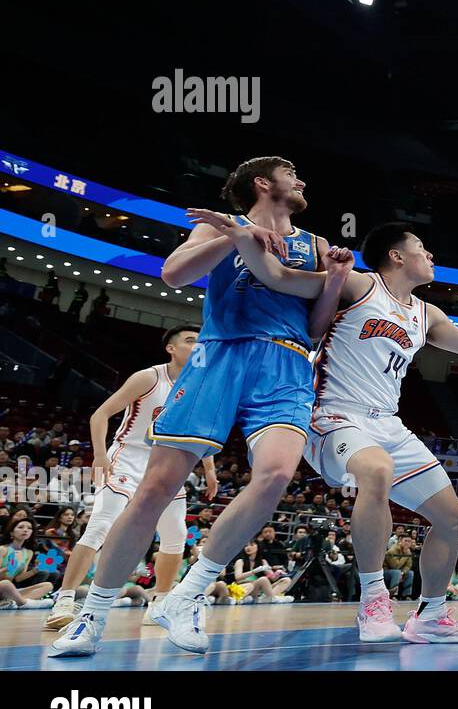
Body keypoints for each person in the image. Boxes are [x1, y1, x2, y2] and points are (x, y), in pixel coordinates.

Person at [187, 216, 458, 643]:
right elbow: (282, 277)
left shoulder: (425, 313)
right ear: (396, 255)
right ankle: (372, 601)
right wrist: (242, 237)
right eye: (421, 246)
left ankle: (430, 616)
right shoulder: (360, 286)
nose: (430, 254)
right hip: (335, 414)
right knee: (375, 470)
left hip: (387, 423)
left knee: (453, 516)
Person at [50, 157, 330, 657]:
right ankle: (91, 616)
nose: (302, 180)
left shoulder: (317, 245)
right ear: (263, 183)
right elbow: (175, 274)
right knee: (155, 488)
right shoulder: (216, 225)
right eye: (293, 173)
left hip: (286, 361)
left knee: (274, 476)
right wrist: (235, 237)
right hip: (218, 353)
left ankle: (188, 592)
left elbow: (314, 327)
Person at [45, 325, 217, 631]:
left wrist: (210, 471)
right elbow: (101, 414)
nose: (197, 346)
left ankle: (159, 603)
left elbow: (199, 431)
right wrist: (99, 454)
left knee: (176, 533)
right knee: (100, 525)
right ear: (171, 348)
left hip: (166, 465)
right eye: (190, 340)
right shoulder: (149, 377)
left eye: (200, 342)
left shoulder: (199, 385)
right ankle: (65, 598)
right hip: (127, 456)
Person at [0, 517, 55, 609]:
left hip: (11, 590)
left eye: (29, 528)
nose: (25, 530)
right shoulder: (2, 549)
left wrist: (36, 570)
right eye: (21, 527)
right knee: (6, 584)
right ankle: (23, 603)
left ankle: (12, 602)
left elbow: (18, 579)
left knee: (48, 585)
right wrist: (7, 568)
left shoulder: (28, 553)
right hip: (3, 586)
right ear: (11, 532)